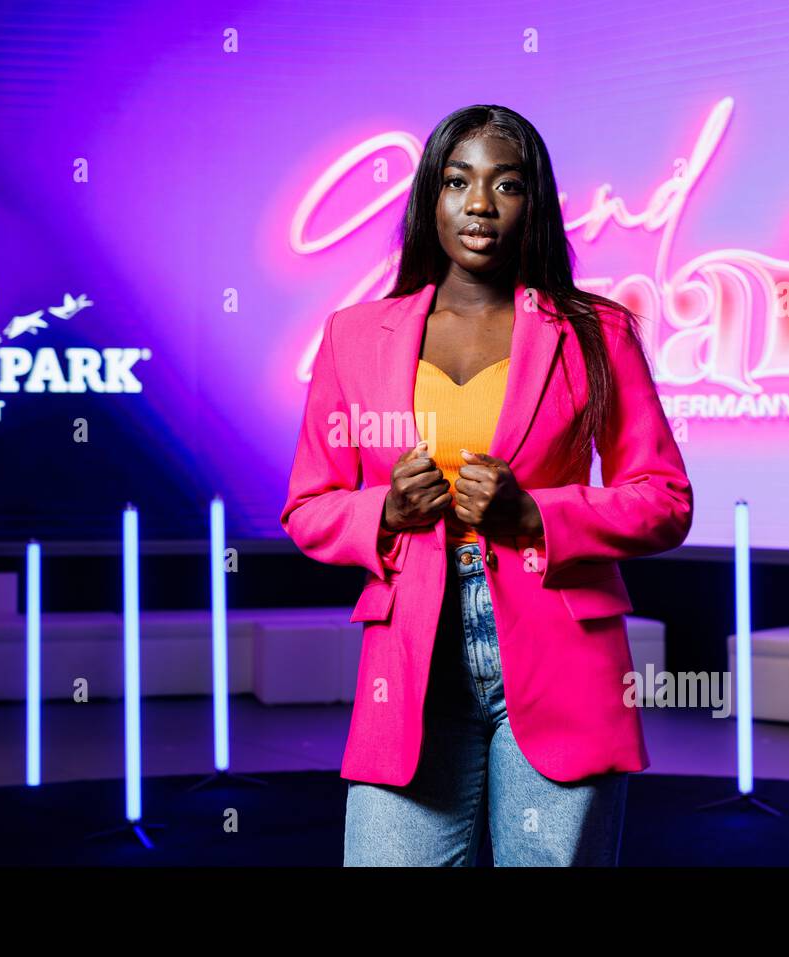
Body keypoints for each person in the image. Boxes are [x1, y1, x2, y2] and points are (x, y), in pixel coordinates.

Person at [281, 104, 693, 866]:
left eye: (506, 184)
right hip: (411, 658)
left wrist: (537, 513)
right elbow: (308, 506)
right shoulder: (352, 336)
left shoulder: (598, 332)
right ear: (429, 200)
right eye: (457, 181)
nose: (479, 203)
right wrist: (384, 510)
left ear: (533, 203)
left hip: (562, 651)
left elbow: (664, 497)